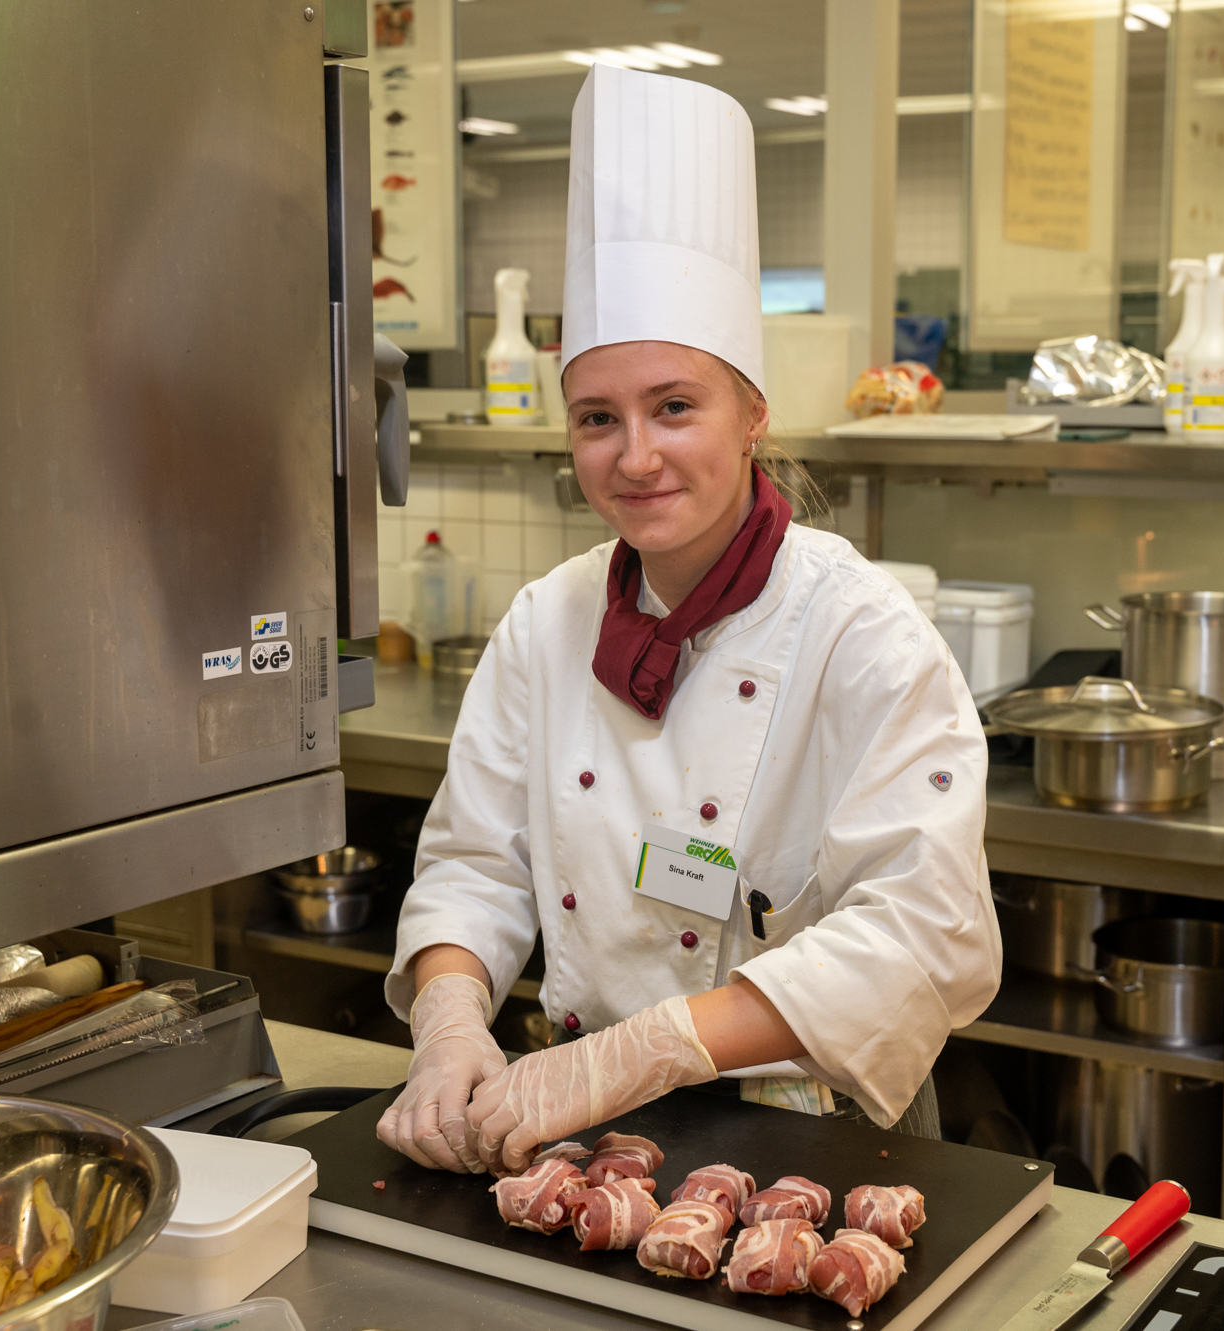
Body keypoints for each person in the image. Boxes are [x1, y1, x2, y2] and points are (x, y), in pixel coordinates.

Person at [374, 63, 1002, 1177]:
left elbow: (925, 931)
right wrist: (451, 1022)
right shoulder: (546, 620)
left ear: (751, 413)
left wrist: (656, 1045)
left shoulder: (859, 628)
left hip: (816, 1140)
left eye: (674, 406)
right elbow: (475, 863)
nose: (635, 455)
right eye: (595, 419)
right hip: (578, 1134)